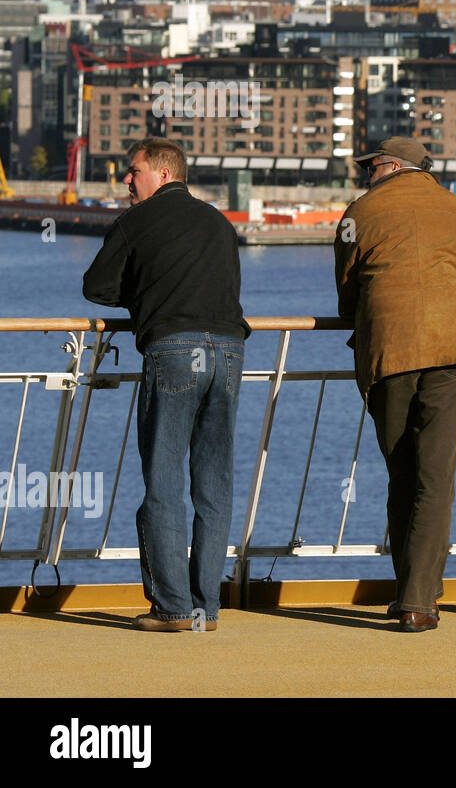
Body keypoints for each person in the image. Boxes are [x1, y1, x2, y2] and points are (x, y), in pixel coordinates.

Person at [83, 138, 250, 633]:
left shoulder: (137, 222)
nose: (126, 181)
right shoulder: (220, 223)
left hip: (174, 351)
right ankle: (207, 608)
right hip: (229, 352)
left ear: (161, 172)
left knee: (163, 481)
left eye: (133, 172)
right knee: (214, 484)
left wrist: (146, 293)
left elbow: (96, 286)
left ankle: (173, 607)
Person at [334, 137, 456, 632]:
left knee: (402, 473)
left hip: (391, 349)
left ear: (393, 166)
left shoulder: (360, 212)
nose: (364, 176)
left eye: (370, 167)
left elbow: (346, 292)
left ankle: (413, 594)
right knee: (435, 477)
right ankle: (420, 597)